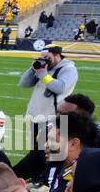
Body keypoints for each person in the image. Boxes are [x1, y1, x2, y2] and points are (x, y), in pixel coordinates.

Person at [14, 45, 77, 181]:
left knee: (48, 151)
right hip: (36, 115)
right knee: (35, 150)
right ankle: (36, 177)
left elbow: (60, 87)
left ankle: (45, 180)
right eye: (42, 57)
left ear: (57, 56)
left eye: (47, 57)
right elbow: (23, 83)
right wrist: (33, 69)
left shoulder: (68, 69)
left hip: (52, 116)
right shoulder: (43, 68)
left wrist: (43, 74)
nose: (44, 60)